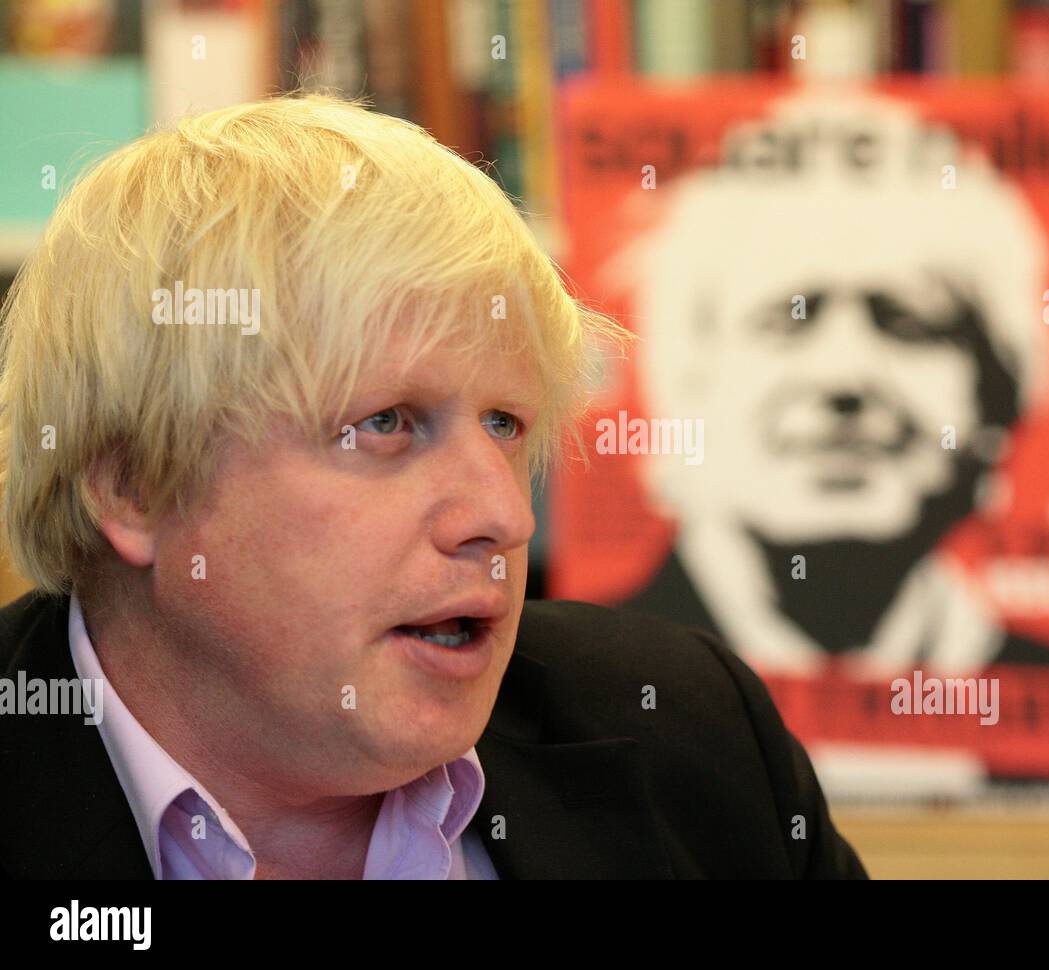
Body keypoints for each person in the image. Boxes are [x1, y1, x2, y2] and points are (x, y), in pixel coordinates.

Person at [0, 93, 866, 880]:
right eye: (386, 424)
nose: (504, 517)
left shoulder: (697, 739)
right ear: (135, 487)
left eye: (505, 426)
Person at [612, 92, 1049, 678]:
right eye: (788, 318)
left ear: (996, 398)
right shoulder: (594, 692)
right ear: (686, 379)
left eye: (908, 322)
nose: (843, 374)